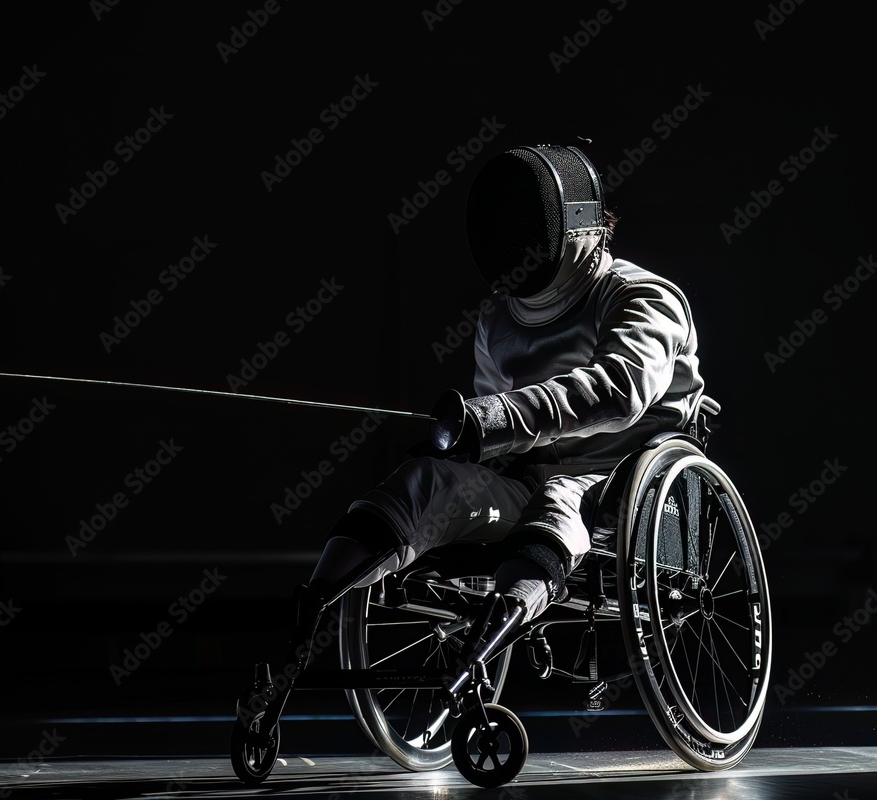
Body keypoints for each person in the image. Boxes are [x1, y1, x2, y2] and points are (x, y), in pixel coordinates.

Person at [289, 142, 706, 673]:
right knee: (425, 481)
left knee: (559, 499)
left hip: (621, 487)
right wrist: (462, 447)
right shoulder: (499, 320)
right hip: (527, 482)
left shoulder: (640, 296)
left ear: (572, 224)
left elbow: (619, 389)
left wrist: (493, 421)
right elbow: (494, 434)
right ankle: (310, 608)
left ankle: (482, 646)